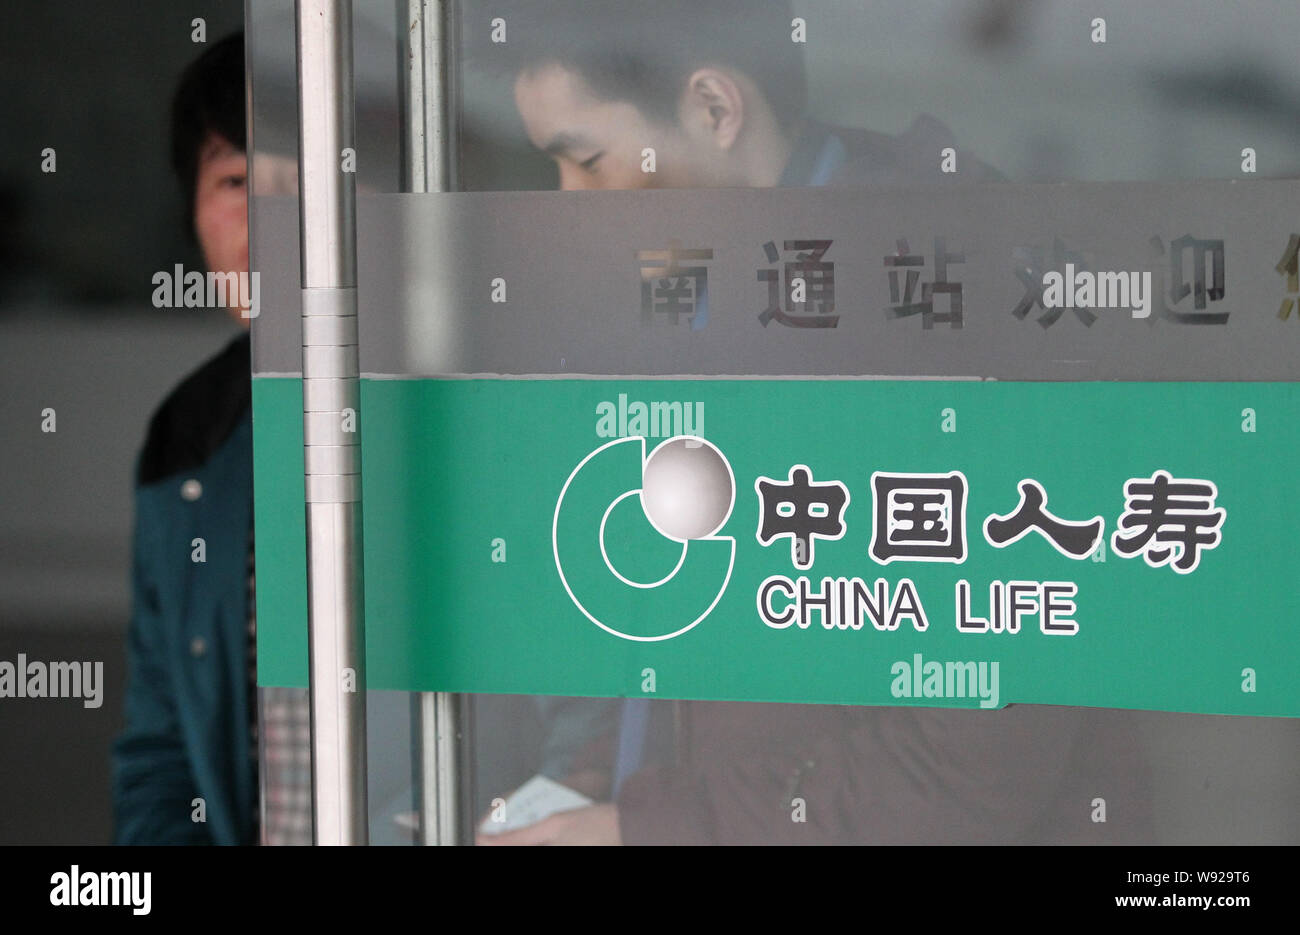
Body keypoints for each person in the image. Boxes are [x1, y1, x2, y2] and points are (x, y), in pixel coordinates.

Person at [476, 0, 1153, 845]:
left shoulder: (934, 303)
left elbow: (974, 768)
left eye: (588, 160)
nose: (568, 202)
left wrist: (645, 828)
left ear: (716, 110)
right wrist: (595, 777)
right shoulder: (719, 287)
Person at [111, 32, 272, 845]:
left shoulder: (467, 412)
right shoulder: (187, 438)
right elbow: (161, 749)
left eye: (293, 176)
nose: (263, 213)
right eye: (234, 180)